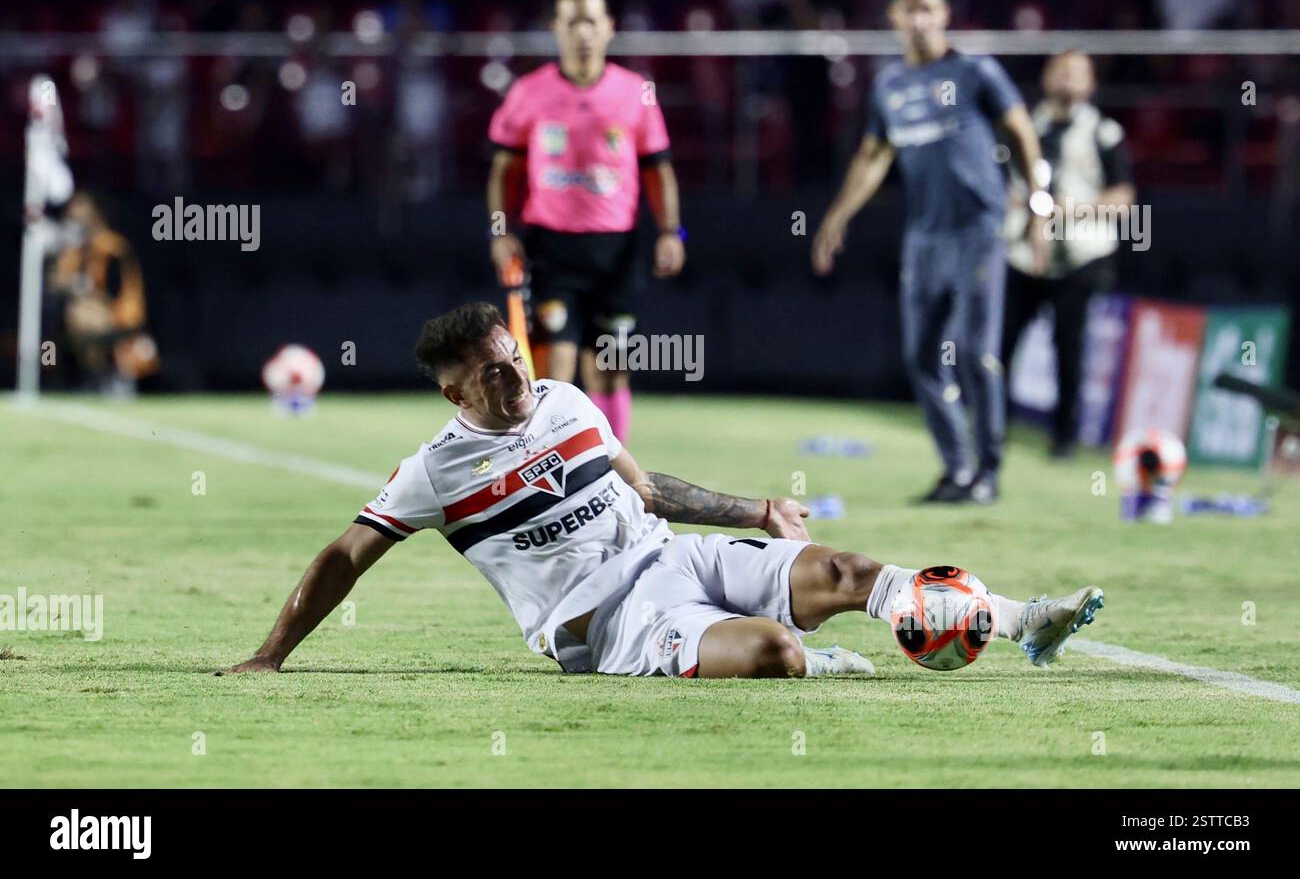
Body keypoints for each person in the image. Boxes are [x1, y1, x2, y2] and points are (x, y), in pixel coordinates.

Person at [224, 302, 1104, 679]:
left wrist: (757, 510)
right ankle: (819, 663)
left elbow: (648, 489)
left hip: (671, 556)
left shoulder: (567, 402)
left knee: (846, 567)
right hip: (605, 623)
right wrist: (272, 652)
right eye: (490, 375)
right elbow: (346, 554)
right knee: (776, 655)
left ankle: (1026, 620)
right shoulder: (436, 470)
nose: (512, 377)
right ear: (456, 393)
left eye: (512, 358)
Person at [812, 0, 1049, 505]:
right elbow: (873, 157)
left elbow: (1023, 133)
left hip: (979, 229)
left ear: (944, 15)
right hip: (925, 237)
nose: (920, 21)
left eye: (929, 10)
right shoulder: (889, 85)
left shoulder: (975, 72)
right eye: (909, 10)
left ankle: (987, 472)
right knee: (922, 356)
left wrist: (1039, 204)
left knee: (974, 352)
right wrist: (837, 217)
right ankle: (956, 468)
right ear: (894, 17)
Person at [485, 0, 685, 443]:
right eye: (572, 21)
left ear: (609, 28)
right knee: (555, 369)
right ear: (555, 28)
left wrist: (672, 231)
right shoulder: (528, 93)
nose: (583, 32)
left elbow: (660, 170)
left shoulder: (637, 93)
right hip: (550, 247)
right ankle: (550, 474)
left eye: (592, 20)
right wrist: (500, 233)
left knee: (611, 369)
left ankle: (611, 477)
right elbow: (502, 172)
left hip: (617, 251)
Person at [1002, 50, 1135, 458]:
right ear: (1045, 78)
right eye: (1059, 71)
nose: (1066, 80)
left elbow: (1124, 200)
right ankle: (992, 428)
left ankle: (1064, 438)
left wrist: (1068, 210)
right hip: (1023, 253)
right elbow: (1004, 186)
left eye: (1076, 73)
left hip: (1079, 253)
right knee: (1002, 343)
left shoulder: (1104, 132)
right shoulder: (1022, 127)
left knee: (1069, 346)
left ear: (1091, 83)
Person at [47, 192, 158, 396]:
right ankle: (66, 376)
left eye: (80, 206)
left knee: (82, 314)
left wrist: (79, 289)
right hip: (82, 318)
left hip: (120, 316)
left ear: (96, 213)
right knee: (56, 325)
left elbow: (115, 293)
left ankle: (111, 375)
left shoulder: (114, 248)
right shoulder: (75, 248)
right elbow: (56, 282)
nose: (73, 213)